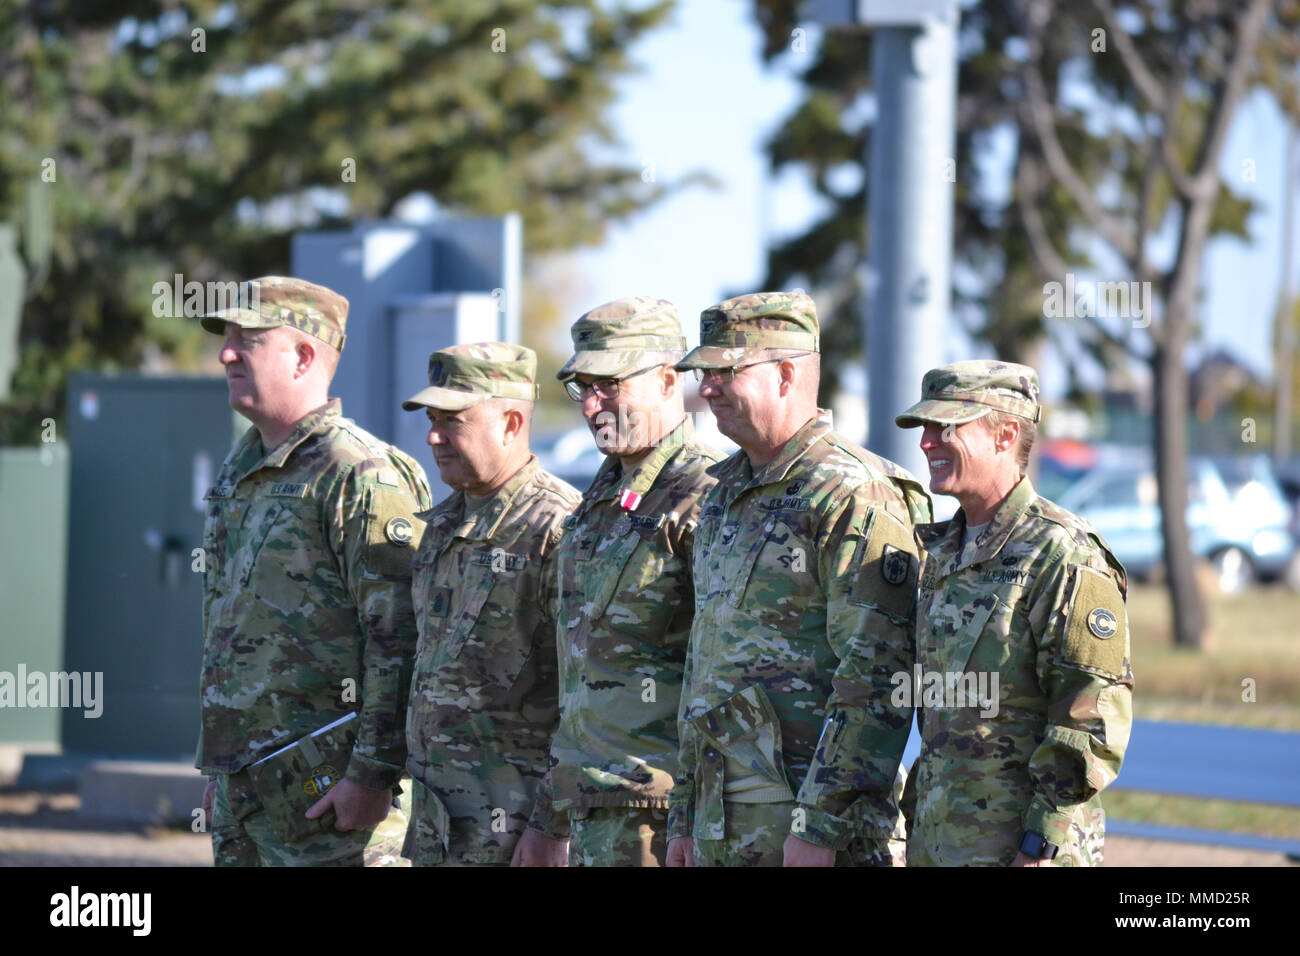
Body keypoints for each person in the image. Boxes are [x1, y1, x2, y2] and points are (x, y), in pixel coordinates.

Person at [666, 291, 931, 867]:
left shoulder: (851, 493)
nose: (706, 388)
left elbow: (876, 678)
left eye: (723, 372)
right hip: (722, 827)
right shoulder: (724, 495)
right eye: (703, 373)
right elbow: (703, 664)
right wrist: (686, 814)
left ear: (786, 374)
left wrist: (820, 827)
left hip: (810, 838)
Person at [196, 275, 431, 866]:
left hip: (330, 798)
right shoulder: (241, 467)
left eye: (245, 339)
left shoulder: (359, 473)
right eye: (226, 338)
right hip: (247, 793)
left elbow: (400, 640)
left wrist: (373, 775)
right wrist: (223, 769)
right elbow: (227, 625)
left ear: (303, 356)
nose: (226, 352)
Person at [895, 360, 1133, 866]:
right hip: (939, 844)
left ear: (1005, 435)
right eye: (925, 429)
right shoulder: (942, 553)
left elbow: (1090, 718)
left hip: (1022, 853)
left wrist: (1040, 842)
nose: (926, 443)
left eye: (946, 428)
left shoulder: (1064, 554)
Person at [514, 296, 722, 867]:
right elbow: (579, 673)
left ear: (666, 381)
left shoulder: (707, 496)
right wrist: (548, 816)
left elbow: (726, 671)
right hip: (589, 810)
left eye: (609, 384)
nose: (594, 405)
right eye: (584, 387)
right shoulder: (597, 503)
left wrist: (695, 819)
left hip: (661, 816)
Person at [397, 343, 579, 866]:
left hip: (516, 831)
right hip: (439, 823)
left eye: (452, 419)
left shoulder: (559, 528)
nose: (433, 436)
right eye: (431, 419)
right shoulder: (443, 525)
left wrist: (551, 826)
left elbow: (583, 695)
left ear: (511, 422)